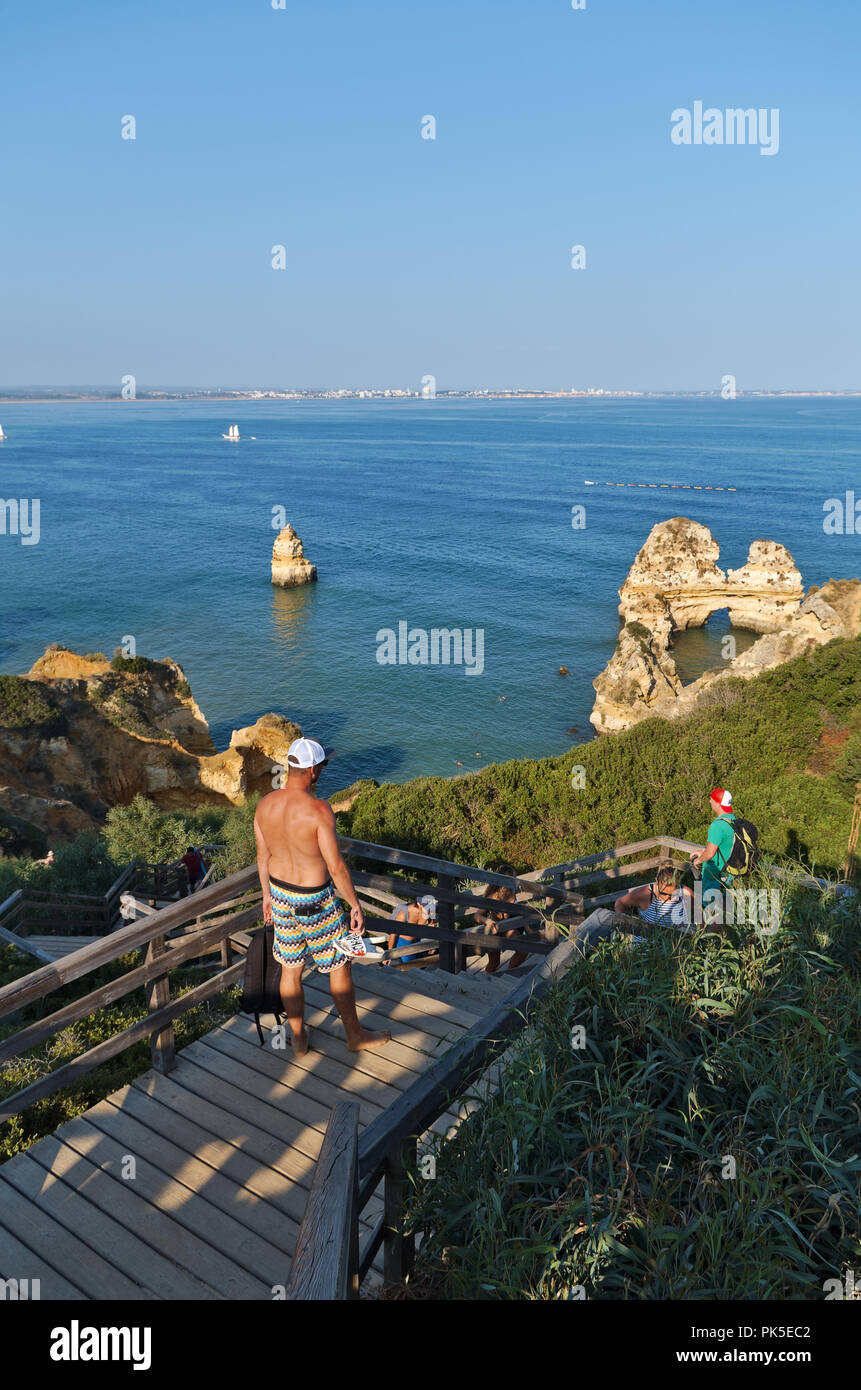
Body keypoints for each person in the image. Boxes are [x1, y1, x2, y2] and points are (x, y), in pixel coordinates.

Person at [253, 736, 390, 1056]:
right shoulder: (318, 810)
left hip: (279, 895)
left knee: (290, 969)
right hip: (316, 902)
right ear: (313, 771)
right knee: (339, 966)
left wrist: (266, 897)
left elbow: (262, 857)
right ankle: (354, 1036)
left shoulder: (265, 804)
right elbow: (336, 866)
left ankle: (299, 1038)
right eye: (323, 766)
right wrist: (354, 904)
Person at [691, 787, 737, 921]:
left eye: (711, 799)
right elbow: (724, 847)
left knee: (708, 914)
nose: (710, 801)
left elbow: (710, 854)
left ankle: (707, 940)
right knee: (721, 914)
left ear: (718, 803)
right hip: (729, 875)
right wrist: (702, 852)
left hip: (714, 875)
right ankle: (720, 940)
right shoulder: (733, 821)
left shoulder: (717, 826)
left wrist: (698, 861)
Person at [614, 859, 694, 931]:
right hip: (646, 942)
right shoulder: (645, 893)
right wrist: (624, 923)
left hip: (672, 943)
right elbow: (620, 903)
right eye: (663, 893)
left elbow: (698, 916)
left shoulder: (686, 893)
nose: (668, 897)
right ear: (656, 882)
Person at [475, 864, 528, 973]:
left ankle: (509, 973)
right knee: (494, 963)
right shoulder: (494, 895)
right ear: (501, 880)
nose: (513, 881)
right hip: (495, 930)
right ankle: (485, 981)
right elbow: (477, 915)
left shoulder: (512, 892)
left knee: (523, 950)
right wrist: (488, 921)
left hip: (510, 927)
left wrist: (527, 927)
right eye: (510, 879)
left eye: (513, 878)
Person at [385, 895, 436, 966]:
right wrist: (389, 953)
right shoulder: (404, 913)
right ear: (419, 904)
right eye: (426, 907)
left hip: (417, 941)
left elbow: (432, 925)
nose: (428, 910)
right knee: (411, 966)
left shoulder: (430, 911)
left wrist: (432, 944)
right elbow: (393, 934)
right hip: (403, 943)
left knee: (420, 963)